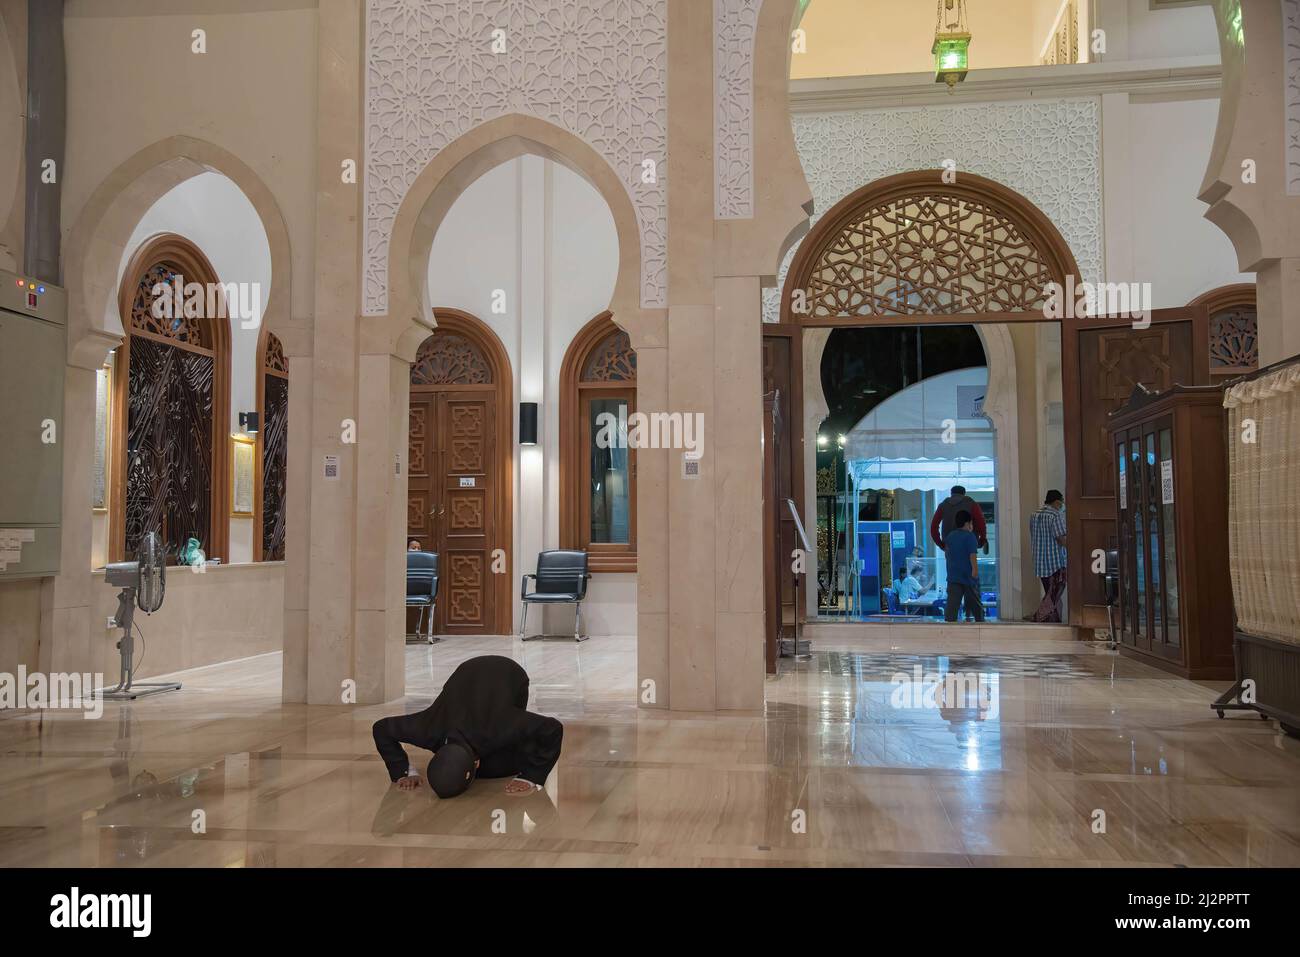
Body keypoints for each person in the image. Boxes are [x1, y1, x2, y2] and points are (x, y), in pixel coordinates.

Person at [372, 655, 563, 798]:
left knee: (515, 742)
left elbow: (553, 729)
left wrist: (531, 776)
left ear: (476, 763)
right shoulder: (426, 729)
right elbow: (381, 728)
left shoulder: (501, 725)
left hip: (510, 673)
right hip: (466, 674)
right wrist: (404, 772)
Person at [1029, 489, 1068, 622]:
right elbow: (1061, 539)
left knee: (1051, 595)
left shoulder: (1034, 515)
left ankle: (1054, 621)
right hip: (1055, 563)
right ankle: (1038, 617)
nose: (1062, 505)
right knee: (1053, 595)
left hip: (1040, 563)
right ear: (1057, 502)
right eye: (1061, 502)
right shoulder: (1055, 515)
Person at [943, 510, 984, 623]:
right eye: (971, 523)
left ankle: (949, 627)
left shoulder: (950, 536)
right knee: (975, 604)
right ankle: (981, 624)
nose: (972, 526)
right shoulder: (970, 537)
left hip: (953, 576)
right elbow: (972, 556)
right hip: (968, 576)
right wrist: (975, 572)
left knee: (952, 605)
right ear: (967, 523)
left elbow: (947, 554)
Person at [930, 485, 988, 553]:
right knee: (969, 563)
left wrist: (941, 544)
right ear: (964, 493)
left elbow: (934, 527)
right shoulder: (972, 504)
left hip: (949, 545)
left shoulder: (943, 505)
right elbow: (981, 523)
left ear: (951, 493)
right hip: (968, 545)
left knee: (951, 563)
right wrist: (982, 540)